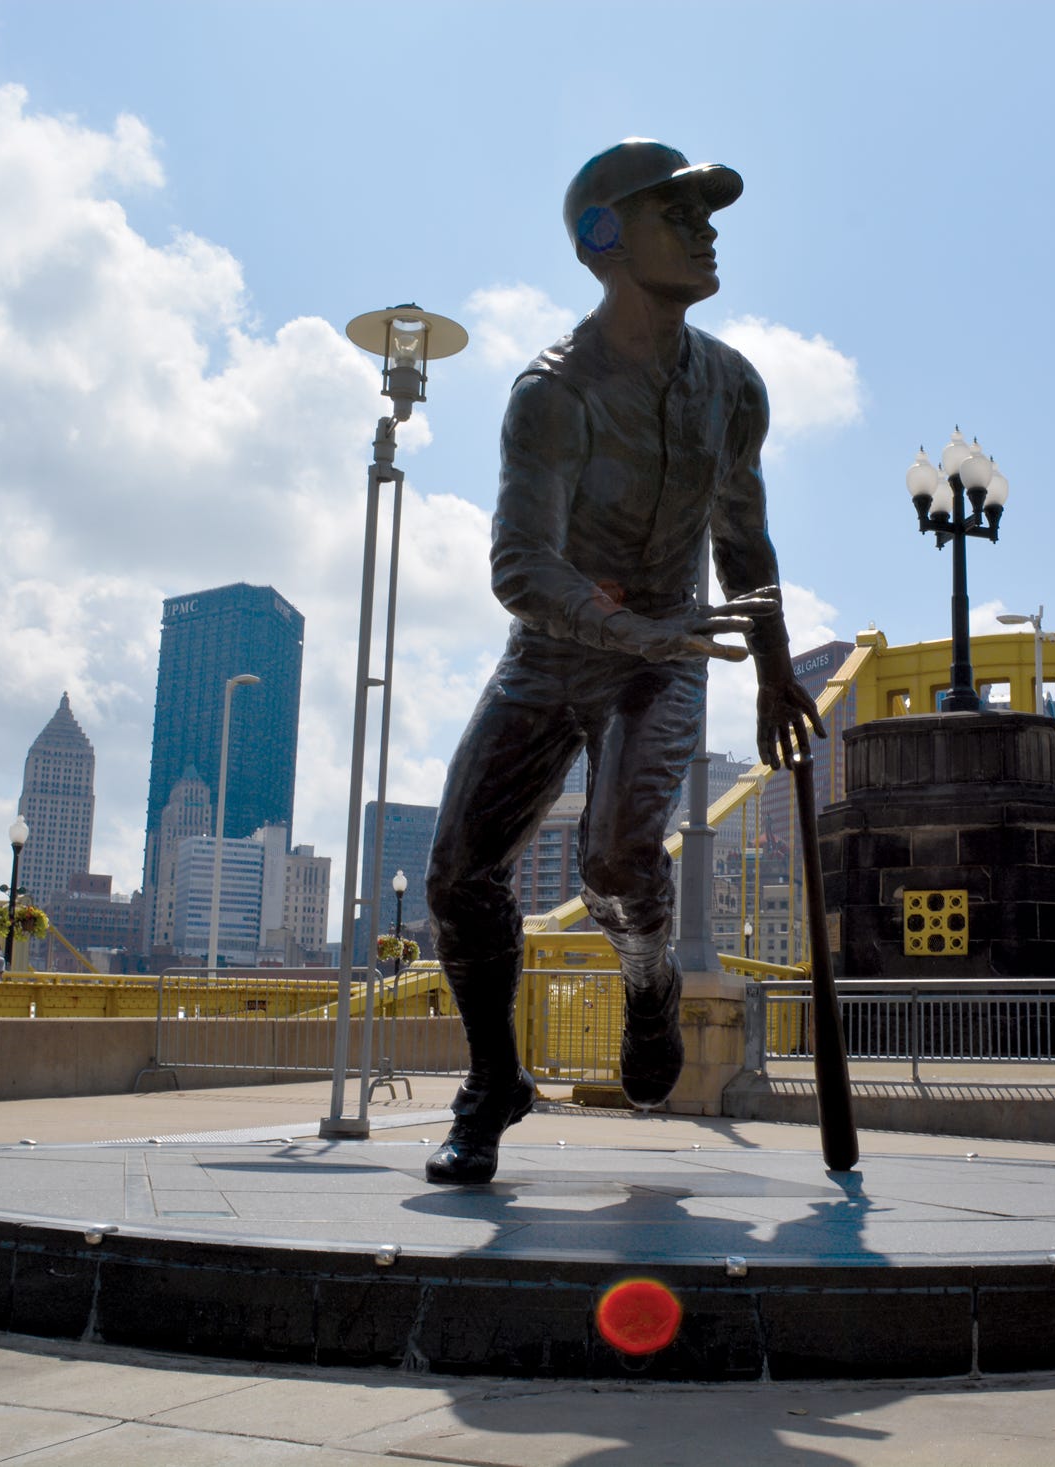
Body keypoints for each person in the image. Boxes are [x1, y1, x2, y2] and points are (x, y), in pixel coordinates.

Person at [422, 140, 824, 1185]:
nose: (706, 229)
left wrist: (774, 670)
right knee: (458, 877)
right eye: (675, 213)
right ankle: (492, 1084)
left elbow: (743, 542)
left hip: (663, 662)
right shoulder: (553, 393)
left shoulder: (731, 387)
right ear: (604, 240)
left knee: (612, 859)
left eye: (705, 212)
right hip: (552, 654)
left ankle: (647, 979)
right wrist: (637, 630)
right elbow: (520, 565)